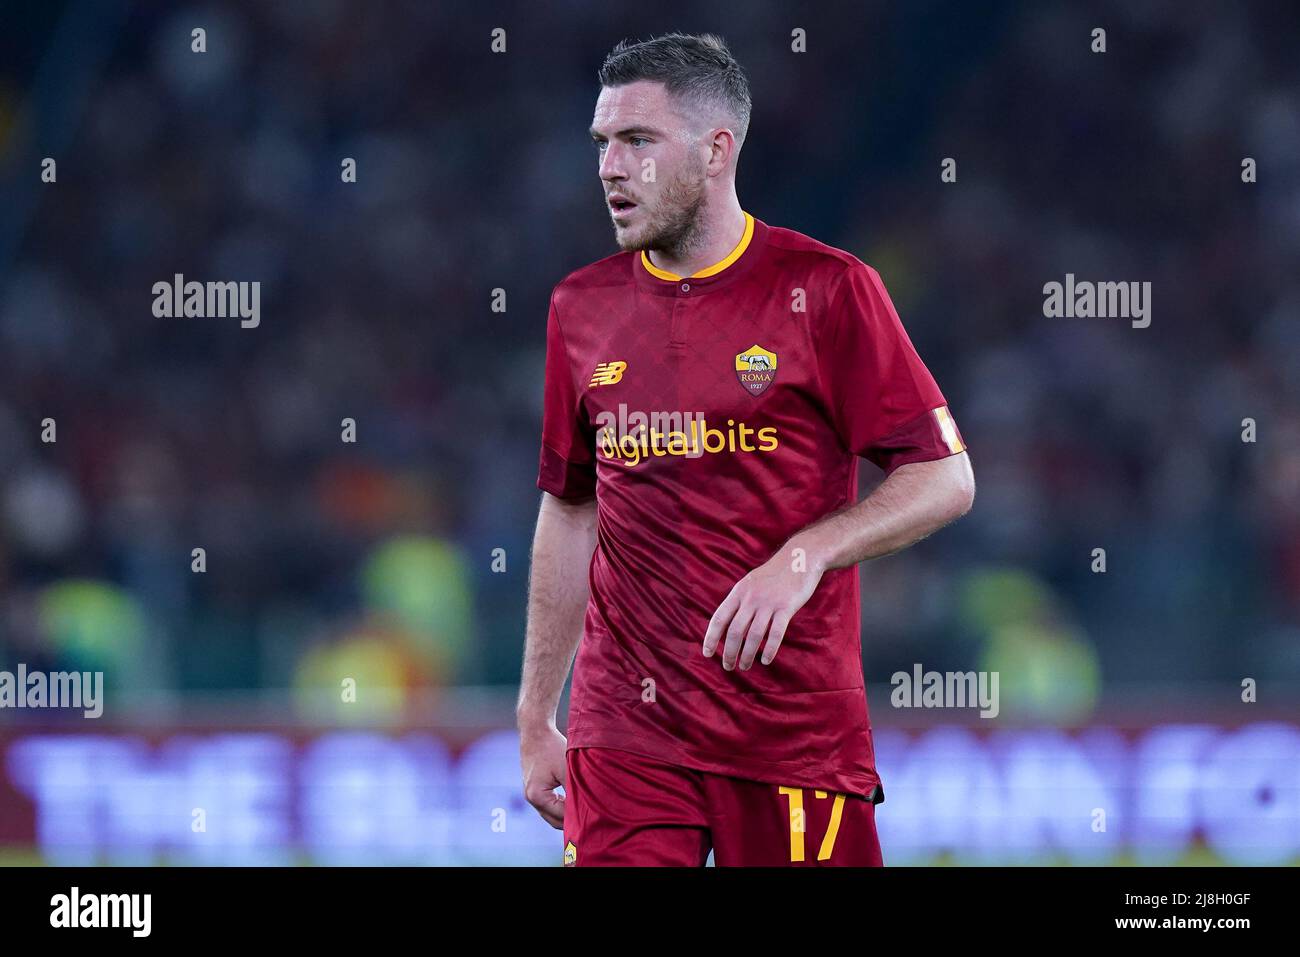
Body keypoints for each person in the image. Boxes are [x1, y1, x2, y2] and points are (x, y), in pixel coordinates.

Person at [519, 32, 974, 866]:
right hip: (625, 734)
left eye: (637, 141)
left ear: (716, 149)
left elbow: (945, 476)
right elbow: (570, 506)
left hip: (790, 731)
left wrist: (806, 554)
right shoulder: (579, 309)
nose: (609, 168)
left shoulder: (828, 291)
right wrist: (534, 714)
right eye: (602, 143)